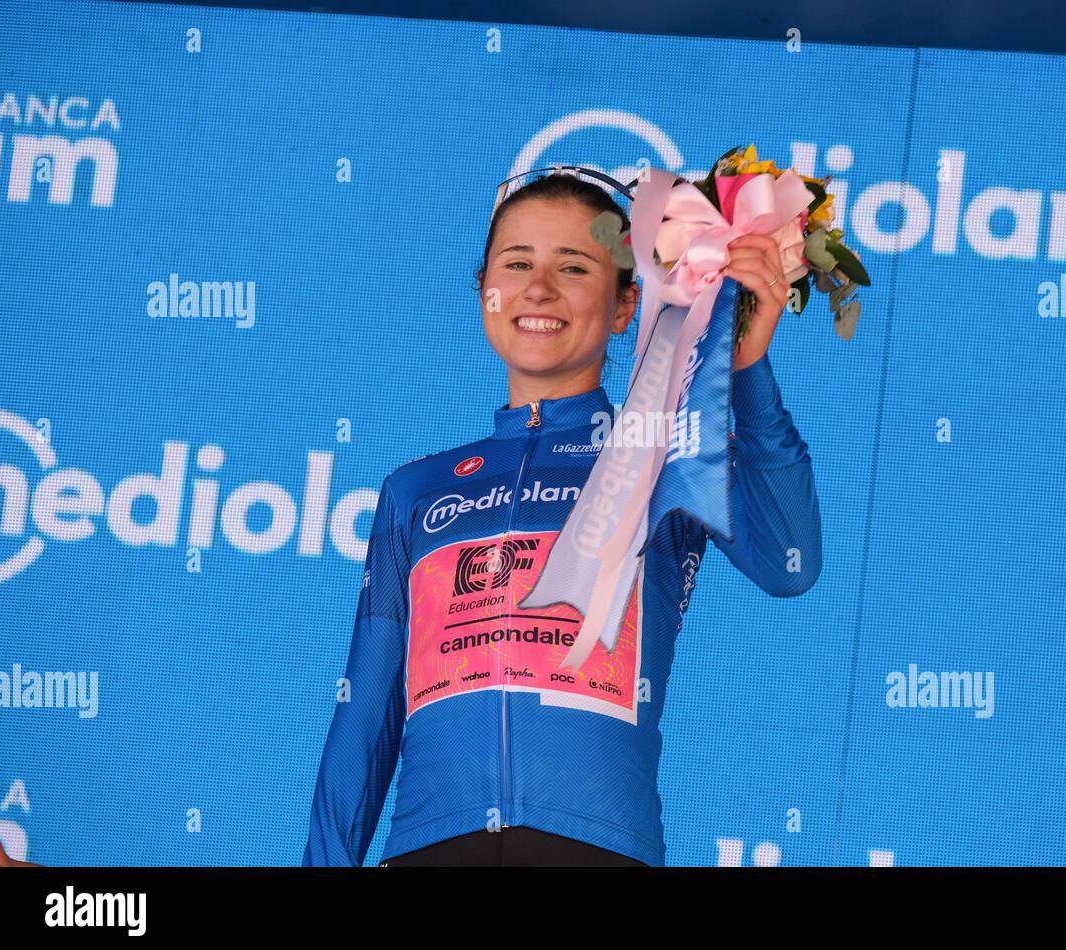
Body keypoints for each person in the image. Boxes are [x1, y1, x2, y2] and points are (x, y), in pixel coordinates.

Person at [299, 168, 823, 867]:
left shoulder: (666, 457)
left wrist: (748, 368)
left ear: (625, 305)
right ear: (482, 290)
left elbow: (791, 563)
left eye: (573, 267)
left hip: (598, 846)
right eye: (517, 264)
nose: (538, 289)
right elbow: (365, 719)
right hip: (427, 845)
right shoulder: (414, 491)